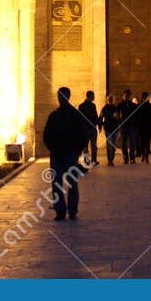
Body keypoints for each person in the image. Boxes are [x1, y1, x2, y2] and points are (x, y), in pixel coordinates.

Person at [43, 87, 87, 221]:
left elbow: (82, 134)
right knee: (66, 183)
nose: (60, 98)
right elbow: (47, 135)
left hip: (64, 154)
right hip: (64, 154)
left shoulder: (65, 115)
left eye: (61, 96)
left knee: (63, 184)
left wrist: (75, 150)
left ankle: (64, 211)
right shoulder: (67, 115)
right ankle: (67, 211)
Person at [77, 90, 100, 167]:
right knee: (90, 146)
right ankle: (92, 160)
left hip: (88, 128)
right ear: (89, 96)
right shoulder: (84, 106)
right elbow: (94, 116)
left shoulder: (85, 105)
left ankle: (89, 161)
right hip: (88, 128)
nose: (94, 97)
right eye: (93, 96)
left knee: (88, 146)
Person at [135, 91, 151, 162]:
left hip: (148, 126)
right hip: (141, 127)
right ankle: (144, 154)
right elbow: (137, 117)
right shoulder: (139, 106)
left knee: (147, 142)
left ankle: (146, 156)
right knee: (142, 142)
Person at [100, 95, 120, 166]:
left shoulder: (116, 108)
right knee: (109, 145)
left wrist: (117, 118)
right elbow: (101, 117)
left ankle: (112, 160)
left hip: (115, 128)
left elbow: (119, 118)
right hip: (108, 128)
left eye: (112, 99)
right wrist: (102, 126)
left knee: (113, 145)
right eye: (109, 99)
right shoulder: (104, 108)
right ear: (107, 100)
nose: (110, 100)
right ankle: (110, 161)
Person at [119, 89, 137, 164]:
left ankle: (132, 158)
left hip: (131, 125)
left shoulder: (133, 105)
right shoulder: (120, 105)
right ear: (123, 96)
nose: (126, 97)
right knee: (124, 143)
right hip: (123, 126)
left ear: (130, 96)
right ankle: (126, 159)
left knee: (132, 142)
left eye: (128, 95)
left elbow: (135, 116)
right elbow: (118, 116)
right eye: (125, 95)